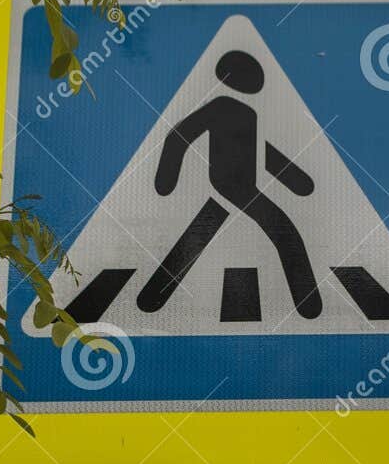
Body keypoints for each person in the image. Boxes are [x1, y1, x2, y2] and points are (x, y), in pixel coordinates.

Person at [136, 50, 322, 318]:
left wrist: (296, 181)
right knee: (280, 231)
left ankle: (151, 298)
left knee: (201, 236)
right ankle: (309, 305)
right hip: (227, 185)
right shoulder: (220, 105)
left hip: (243, 186)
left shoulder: (248, 113)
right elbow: (180, 136)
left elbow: (262, 152)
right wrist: (166, 180)